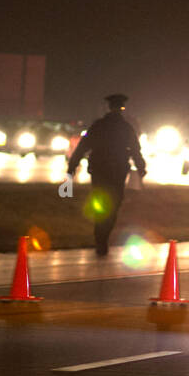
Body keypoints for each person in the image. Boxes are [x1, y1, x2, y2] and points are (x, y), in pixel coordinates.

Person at [67, 93, 147, 256]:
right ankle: (103, 237)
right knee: (114, 206)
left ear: (108, 108)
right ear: (122, 109)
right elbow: (135, 150)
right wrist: (141, 168)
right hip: (117, 173)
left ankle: (100, 239)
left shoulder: (98, 125)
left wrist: (72, 166)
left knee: (101, 204)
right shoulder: (126, 127)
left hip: (99, 171)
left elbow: (83, 146)